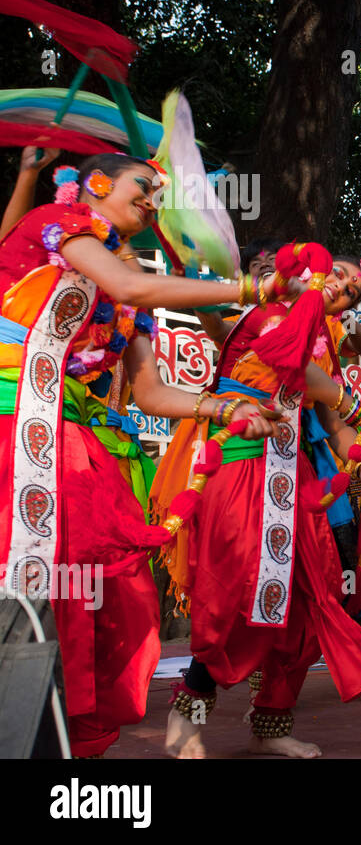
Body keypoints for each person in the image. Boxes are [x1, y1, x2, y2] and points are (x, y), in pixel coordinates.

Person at [0, 153, 272, 757]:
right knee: (38, 586)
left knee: (114, 592)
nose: (152, 201)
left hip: (68, 442)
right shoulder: (56, 223)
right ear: (96, 186)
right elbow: (126, 281)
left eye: (157, 194)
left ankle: (67, 738)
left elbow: (147, 390)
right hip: (14, 430)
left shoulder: (128, 297)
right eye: (141, 188)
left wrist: (222, 409)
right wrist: (251, 288)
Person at [151, 245, 361, 758]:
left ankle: (273, 722)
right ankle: (189, 708)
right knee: (232, 591)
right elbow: (302, 376)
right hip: (239, 461)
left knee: (310, 594)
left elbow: (332, 427)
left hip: (292, 475)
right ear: (311, 270)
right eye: (341, 275)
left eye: (353, 290)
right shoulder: (272, 313)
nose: (343, 287)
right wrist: (354, 404)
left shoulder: (326, 348)